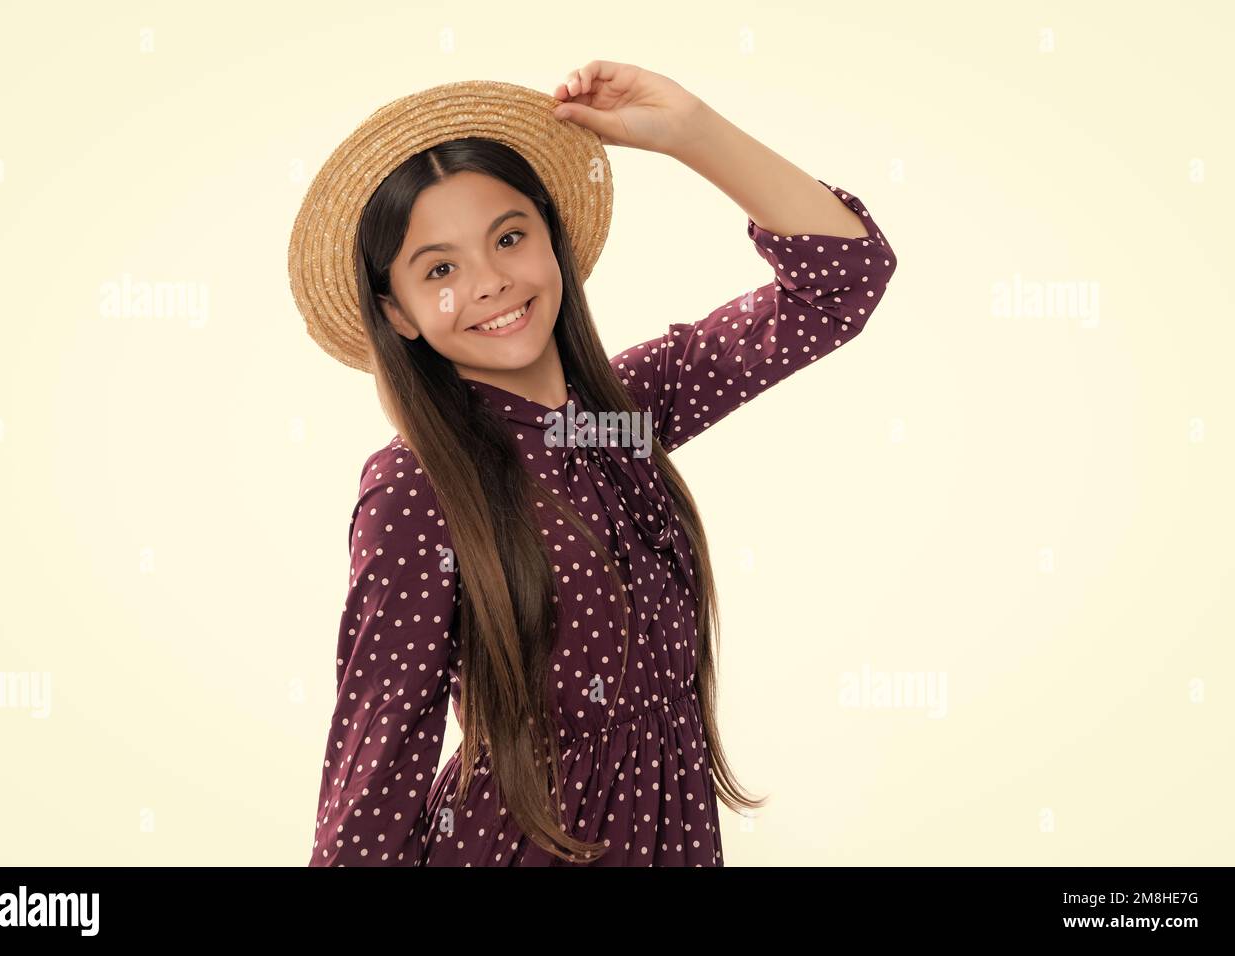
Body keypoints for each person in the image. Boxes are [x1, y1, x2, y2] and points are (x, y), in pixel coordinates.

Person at [288, 60, 899, 866]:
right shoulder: (414, 488)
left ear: (554, 241)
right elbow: (378, 770)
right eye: (440, 269)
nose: (492, 281)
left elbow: (843, 279)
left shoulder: (623, 416)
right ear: (397, 311)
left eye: (509, 237)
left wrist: (692, 133)